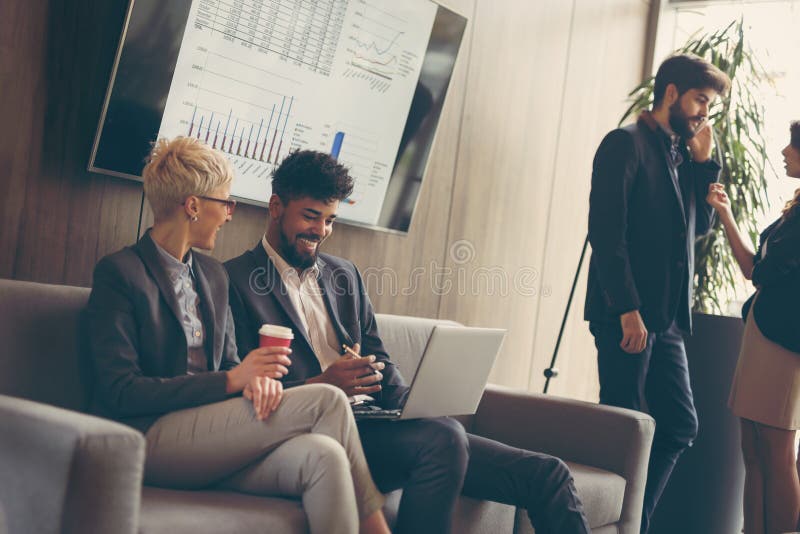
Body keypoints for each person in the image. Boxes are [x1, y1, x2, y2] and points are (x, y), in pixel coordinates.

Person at [225, 149, 591, 534]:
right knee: (443, 439)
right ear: (276, 207)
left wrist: (415, 405)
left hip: (380, 425)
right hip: (322, 434)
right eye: (311, 216)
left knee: (550, 474)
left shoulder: (343, 276)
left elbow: (379, 360)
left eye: (330, 220)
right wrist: (325, 385)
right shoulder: (233, 281)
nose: (321, 231)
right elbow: (241, 395)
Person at [86, 137, 389, 534]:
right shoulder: (120, 274)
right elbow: (120, 391)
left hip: (214, 436)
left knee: (325, 457)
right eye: (225, 203)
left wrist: (255, 382)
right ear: (193, 206)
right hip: (150, 437)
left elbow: (231, 365)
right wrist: (231, 380)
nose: (230, 215)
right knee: (328, 399)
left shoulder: (212, 276)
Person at [584, 53, 731, 533]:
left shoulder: (679, 152)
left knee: (679, 426)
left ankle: (632, 523)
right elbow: (607, 235)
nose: (703, 115)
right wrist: (626, 308)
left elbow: (698, 228)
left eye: (708, 106)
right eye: (699, 102)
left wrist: (705, 166)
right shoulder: (623, 144)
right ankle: (610, 523)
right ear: (671, 93)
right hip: (626, 315)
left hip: (665, 321)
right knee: (623, 432)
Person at [706, 121, 800, 534]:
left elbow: (760, 273)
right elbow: (753, 271)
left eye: (793, 145)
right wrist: (725, 214)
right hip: (763, 335)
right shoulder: (794, 209)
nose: (784, 150)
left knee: (776, 451)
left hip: (785, 340)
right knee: (753, 449)